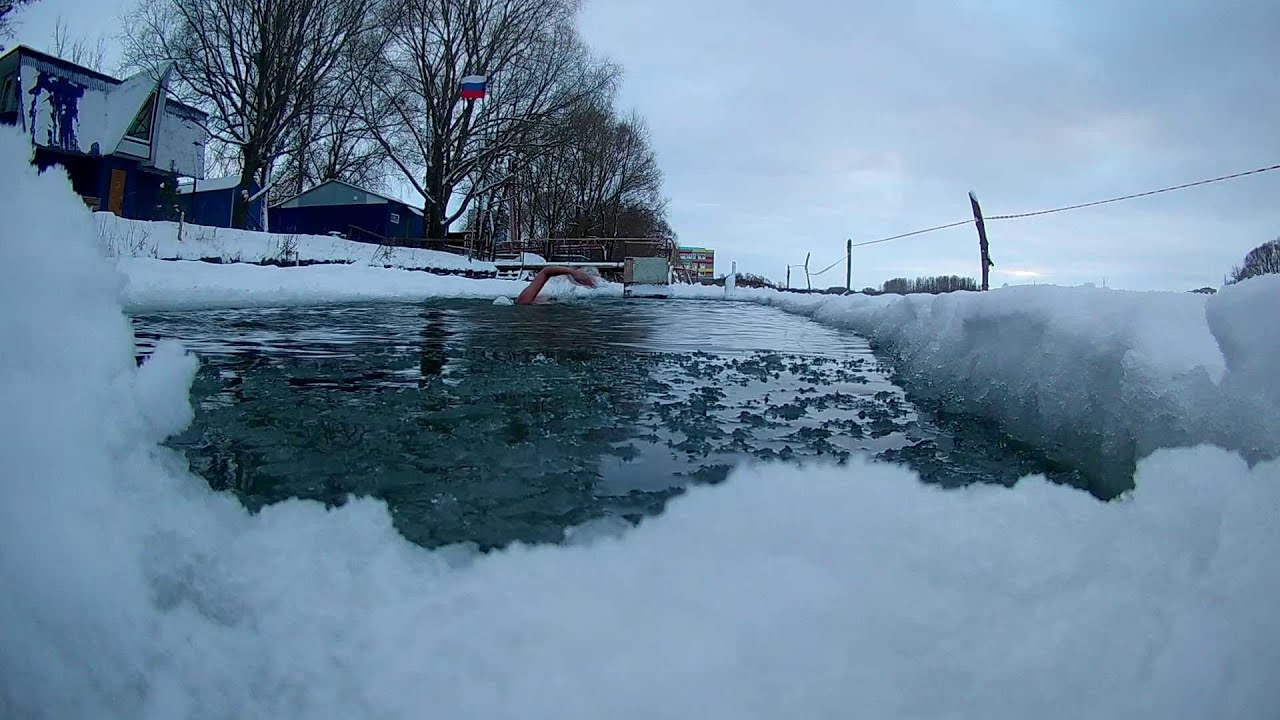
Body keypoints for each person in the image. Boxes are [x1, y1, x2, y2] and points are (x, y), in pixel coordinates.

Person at [514, 265, 599, 305]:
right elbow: (546, 272)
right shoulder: (524, 301)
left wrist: (573, 272)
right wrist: (573, 272)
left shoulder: (524, 302)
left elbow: (546, 272)